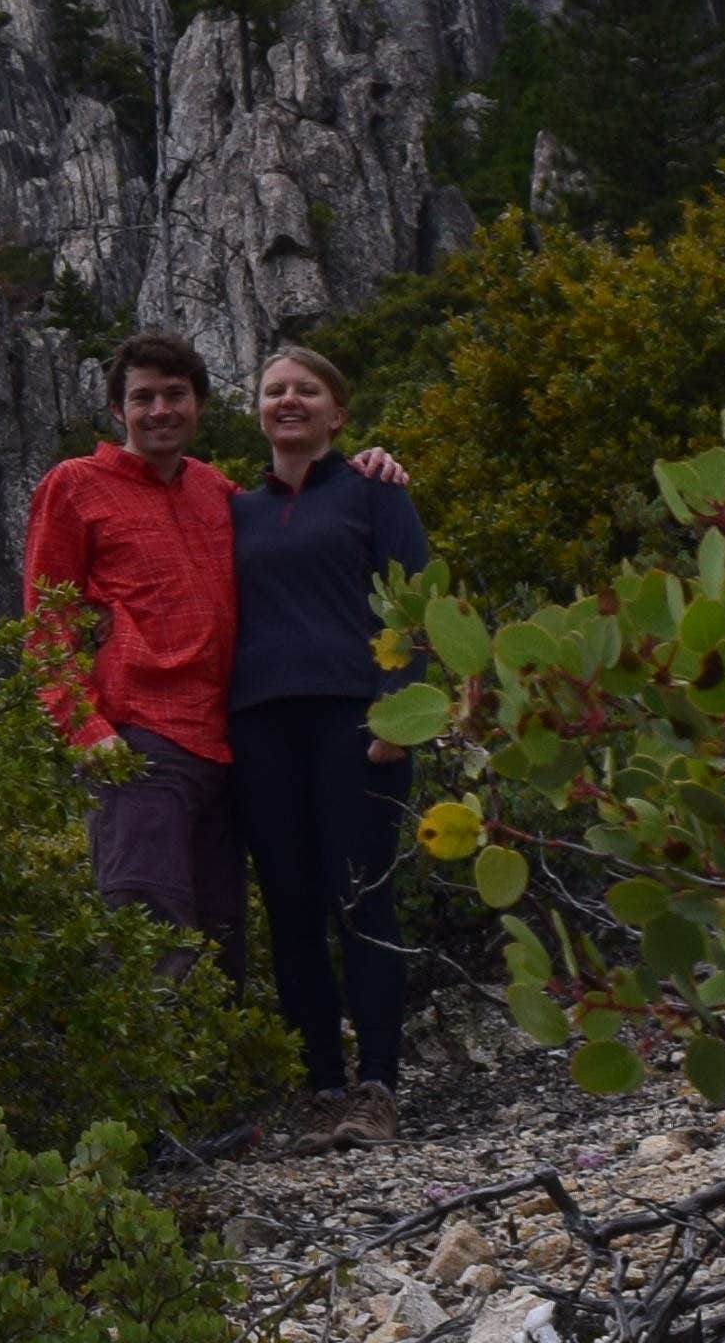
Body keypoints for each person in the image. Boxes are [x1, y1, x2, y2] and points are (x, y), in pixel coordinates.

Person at [225, 339, 429, 1121]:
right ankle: (319, 1085)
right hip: (260, 727)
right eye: (275, 390)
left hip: (357, 720)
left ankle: (378, 1084)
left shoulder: (377, 493)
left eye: (306, 390)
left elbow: (412, 605)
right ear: (259, 412)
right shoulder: (234, 509)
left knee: (363, 897)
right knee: (290, 904)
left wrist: (400, 714)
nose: (288, 400)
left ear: (337, 412)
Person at [22, 331, 249, 973]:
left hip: (226, 744)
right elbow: (46, 624)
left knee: (221, 934)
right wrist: (85, 729)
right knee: (149, 933)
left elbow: (297, 516)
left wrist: (366, 468)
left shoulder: (217, 490)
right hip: (138, 741)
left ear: (199, 403)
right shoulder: (74, 486)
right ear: (118, 411)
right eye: (142, 398)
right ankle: (145, 1077)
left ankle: (221, 1077)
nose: (160, 411)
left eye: (175, 395)